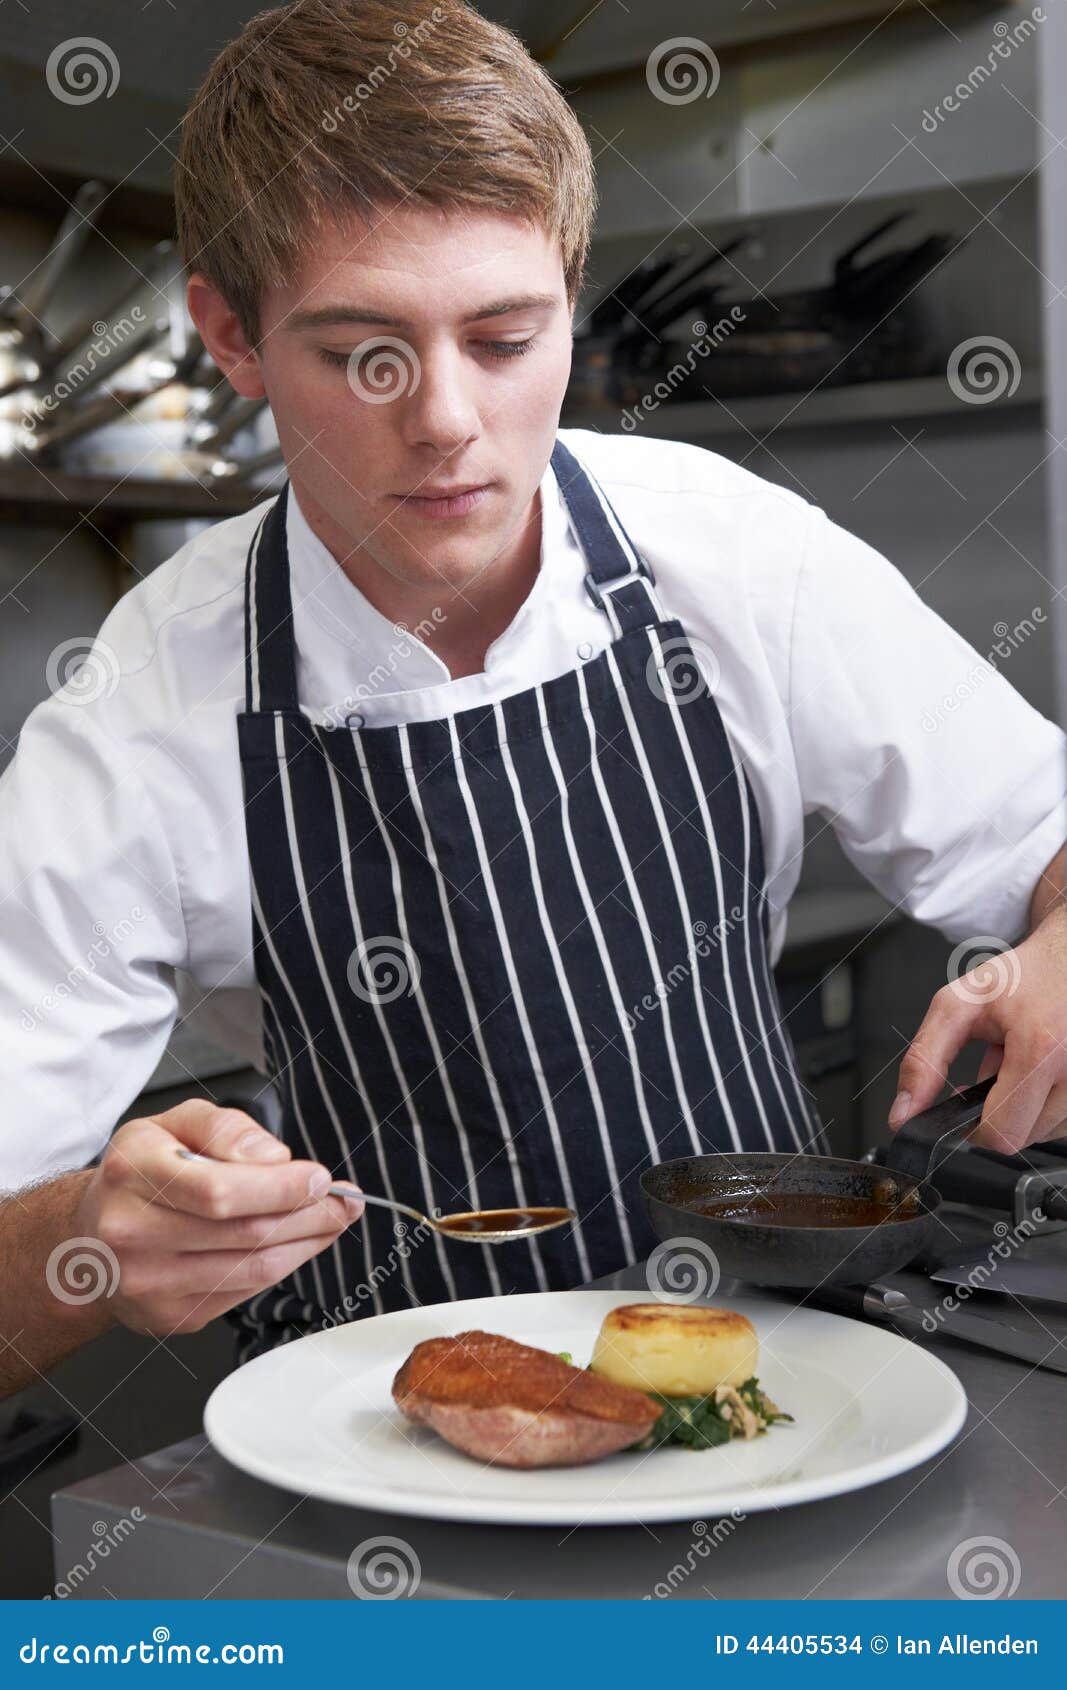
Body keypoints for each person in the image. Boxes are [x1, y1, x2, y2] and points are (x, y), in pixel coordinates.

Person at [0, 0, 1064, 1392]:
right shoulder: (139, 713)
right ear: (231, 336)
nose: (445, 418)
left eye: (504, 339)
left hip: (779, 1397)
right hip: (380, 1452)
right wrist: (83, 1238)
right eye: (358, 353)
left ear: (569, 295)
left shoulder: (734, 555)